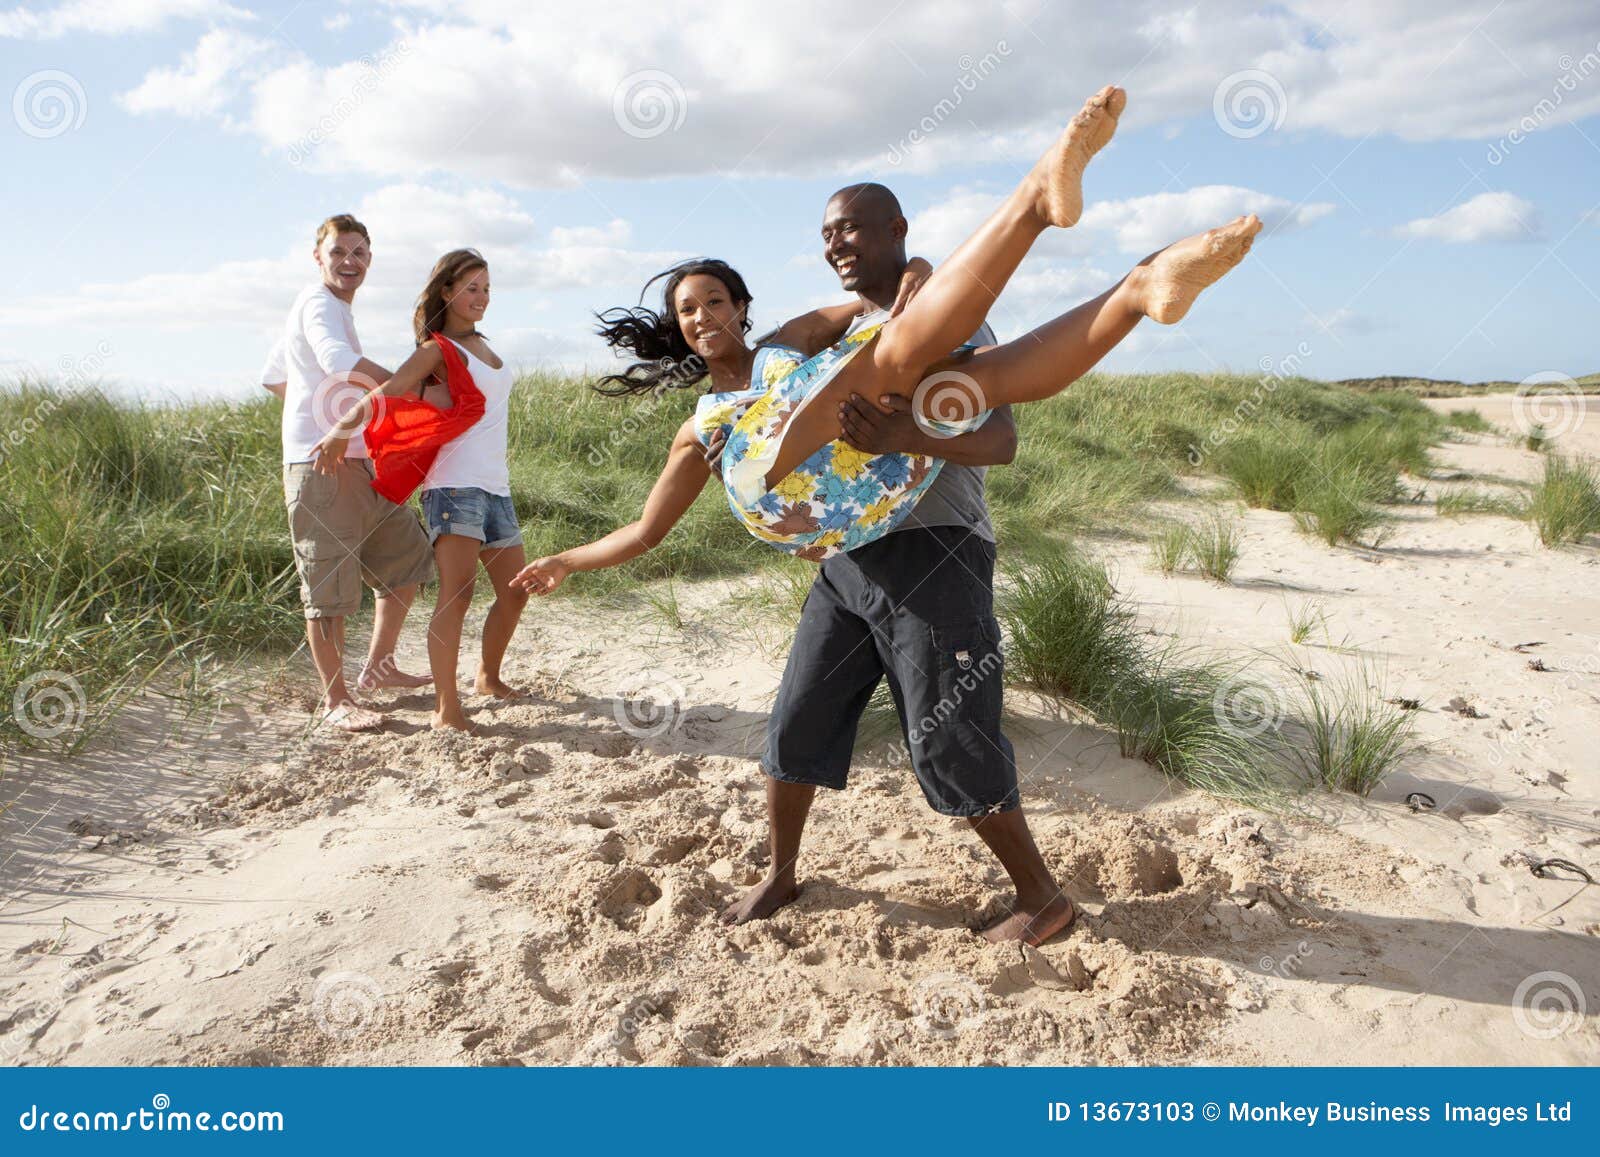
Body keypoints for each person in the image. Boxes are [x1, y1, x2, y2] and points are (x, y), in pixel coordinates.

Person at [701, 86, 1260, 559]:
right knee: (952, 366)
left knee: (950, 369)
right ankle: (1134, 291)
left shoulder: (952, 313)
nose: (835, 245)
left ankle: (1068, 229)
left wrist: (902, 434)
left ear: (897, 230)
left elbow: (1001, 440)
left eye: (848, 228)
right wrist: (731, 445)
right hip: (850, 546)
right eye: (826, 235)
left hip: (934, 546)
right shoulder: (842, 331)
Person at [312, 249, 529, 732]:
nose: (481, 297)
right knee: (458, 594)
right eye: (471, 288)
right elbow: (386, 392)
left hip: (495, 487)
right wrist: (342, 428)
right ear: (446, 291)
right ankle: (446, 709)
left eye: (487, 288)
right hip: (453, 487)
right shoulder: (436, 350)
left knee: (515, 590)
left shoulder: (483, 345)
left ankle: (488, 677)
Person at [268, 214, 434, 733]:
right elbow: (339, 361)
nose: (349, 261)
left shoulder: (329, 308)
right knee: (328, 592)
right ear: (318, 256)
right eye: (338, 251)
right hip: (321, 467)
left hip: (361, 462)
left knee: (408, 556)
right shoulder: (318, 303)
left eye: (359, 253)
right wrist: (415, 385)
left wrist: (317, 404)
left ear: (369, 259)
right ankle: (336, 699)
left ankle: (379, 668)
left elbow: (273, 376)